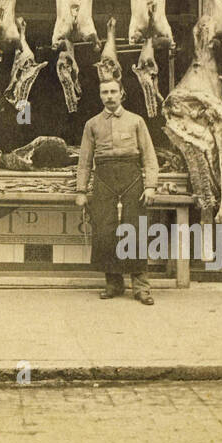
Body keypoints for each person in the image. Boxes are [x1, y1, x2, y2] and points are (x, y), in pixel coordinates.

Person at [76, 78, 159, 305]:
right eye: (105, 92)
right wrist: (81, 190)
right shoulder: (92, 124)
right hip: (104, 179)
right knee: (105, 231)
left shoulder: (136, 121)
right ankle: (113, 283)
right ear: (100, 95)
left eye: (113, 91)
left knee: (135, 230)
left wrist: (150, 185)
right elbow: (84, 161)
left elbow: (149, 156)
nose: (109, 96)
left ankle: (141, 288)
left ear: (122, 93)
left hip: (132, 178)